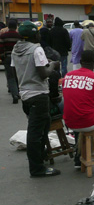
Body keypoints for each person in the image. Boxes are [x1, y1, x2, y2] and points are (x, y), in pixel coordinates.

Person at [11, 21, 61, 177]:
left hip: (25, 94)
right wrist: (53, 65)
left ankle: (41, 156)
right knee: (35, 132)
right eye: (38, 32)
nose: (40, 35)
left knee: (43, 126)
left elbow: (14, 72)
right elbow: (43, 73)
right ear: (34, 35)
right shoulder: (36, 49)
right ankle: (37, 168)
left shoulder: (16, 49)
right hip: (38, 94)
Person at [0, 19, 22, 103]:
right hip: (18, 58)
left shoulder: (3, 36)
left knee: (10, 77)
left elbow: (1, 48)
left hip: (8, 57)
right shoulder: (19, 36)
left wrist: (3, 57)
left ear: (8, 26)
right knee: (18, 75)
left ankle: (15, 94)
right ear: (16, 26)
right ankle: (18, 92)